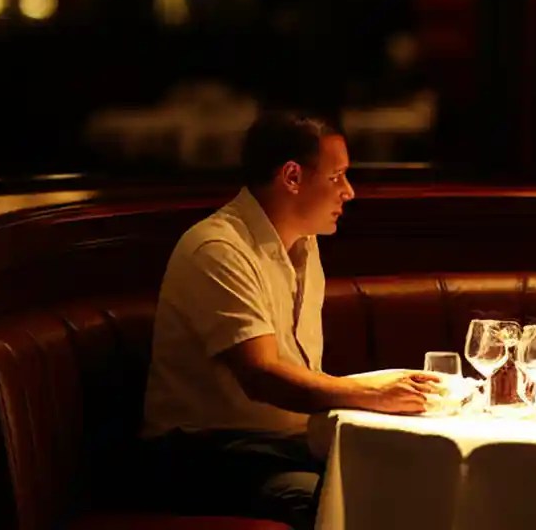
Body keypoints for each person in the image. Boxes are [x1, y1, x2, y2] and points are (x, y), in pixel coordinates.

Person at [140, 110, 439, 528]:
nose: (349, 192)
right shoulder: (217, 249)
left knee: (408, 480)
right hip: (203, 456)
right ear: (293, 177)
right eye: (337, 177)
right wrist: (370, 394)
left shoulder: (304, 246)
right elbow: (261, 375)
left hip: (281, 446)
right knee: (352, 502)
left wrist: (380, 390)